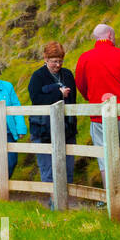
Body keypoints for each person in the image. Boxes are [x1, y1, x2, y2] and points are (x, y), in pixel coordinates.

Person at [74, 23, 120, 193]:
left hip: (99, 113)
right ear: (110, 35)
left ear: (96, 38)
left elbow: (80, 84)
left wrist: (92, 98)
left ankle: (108, 191)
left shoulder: (85, 58)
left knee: (103, 151)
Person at [27, 42, 77, 186]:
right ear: (46, 59)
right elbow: (36, 100)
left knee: (68, 169)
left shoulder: (67, 74)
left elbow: (72, 101)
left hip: (66, 129)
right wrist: (58, 93)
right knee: (48, 170)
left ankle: (65, 206)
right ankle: (52, 205)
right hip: (43, 130)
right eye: (54, 61)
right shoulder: (37, 76)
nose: (57, 65)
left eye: (60, 61)